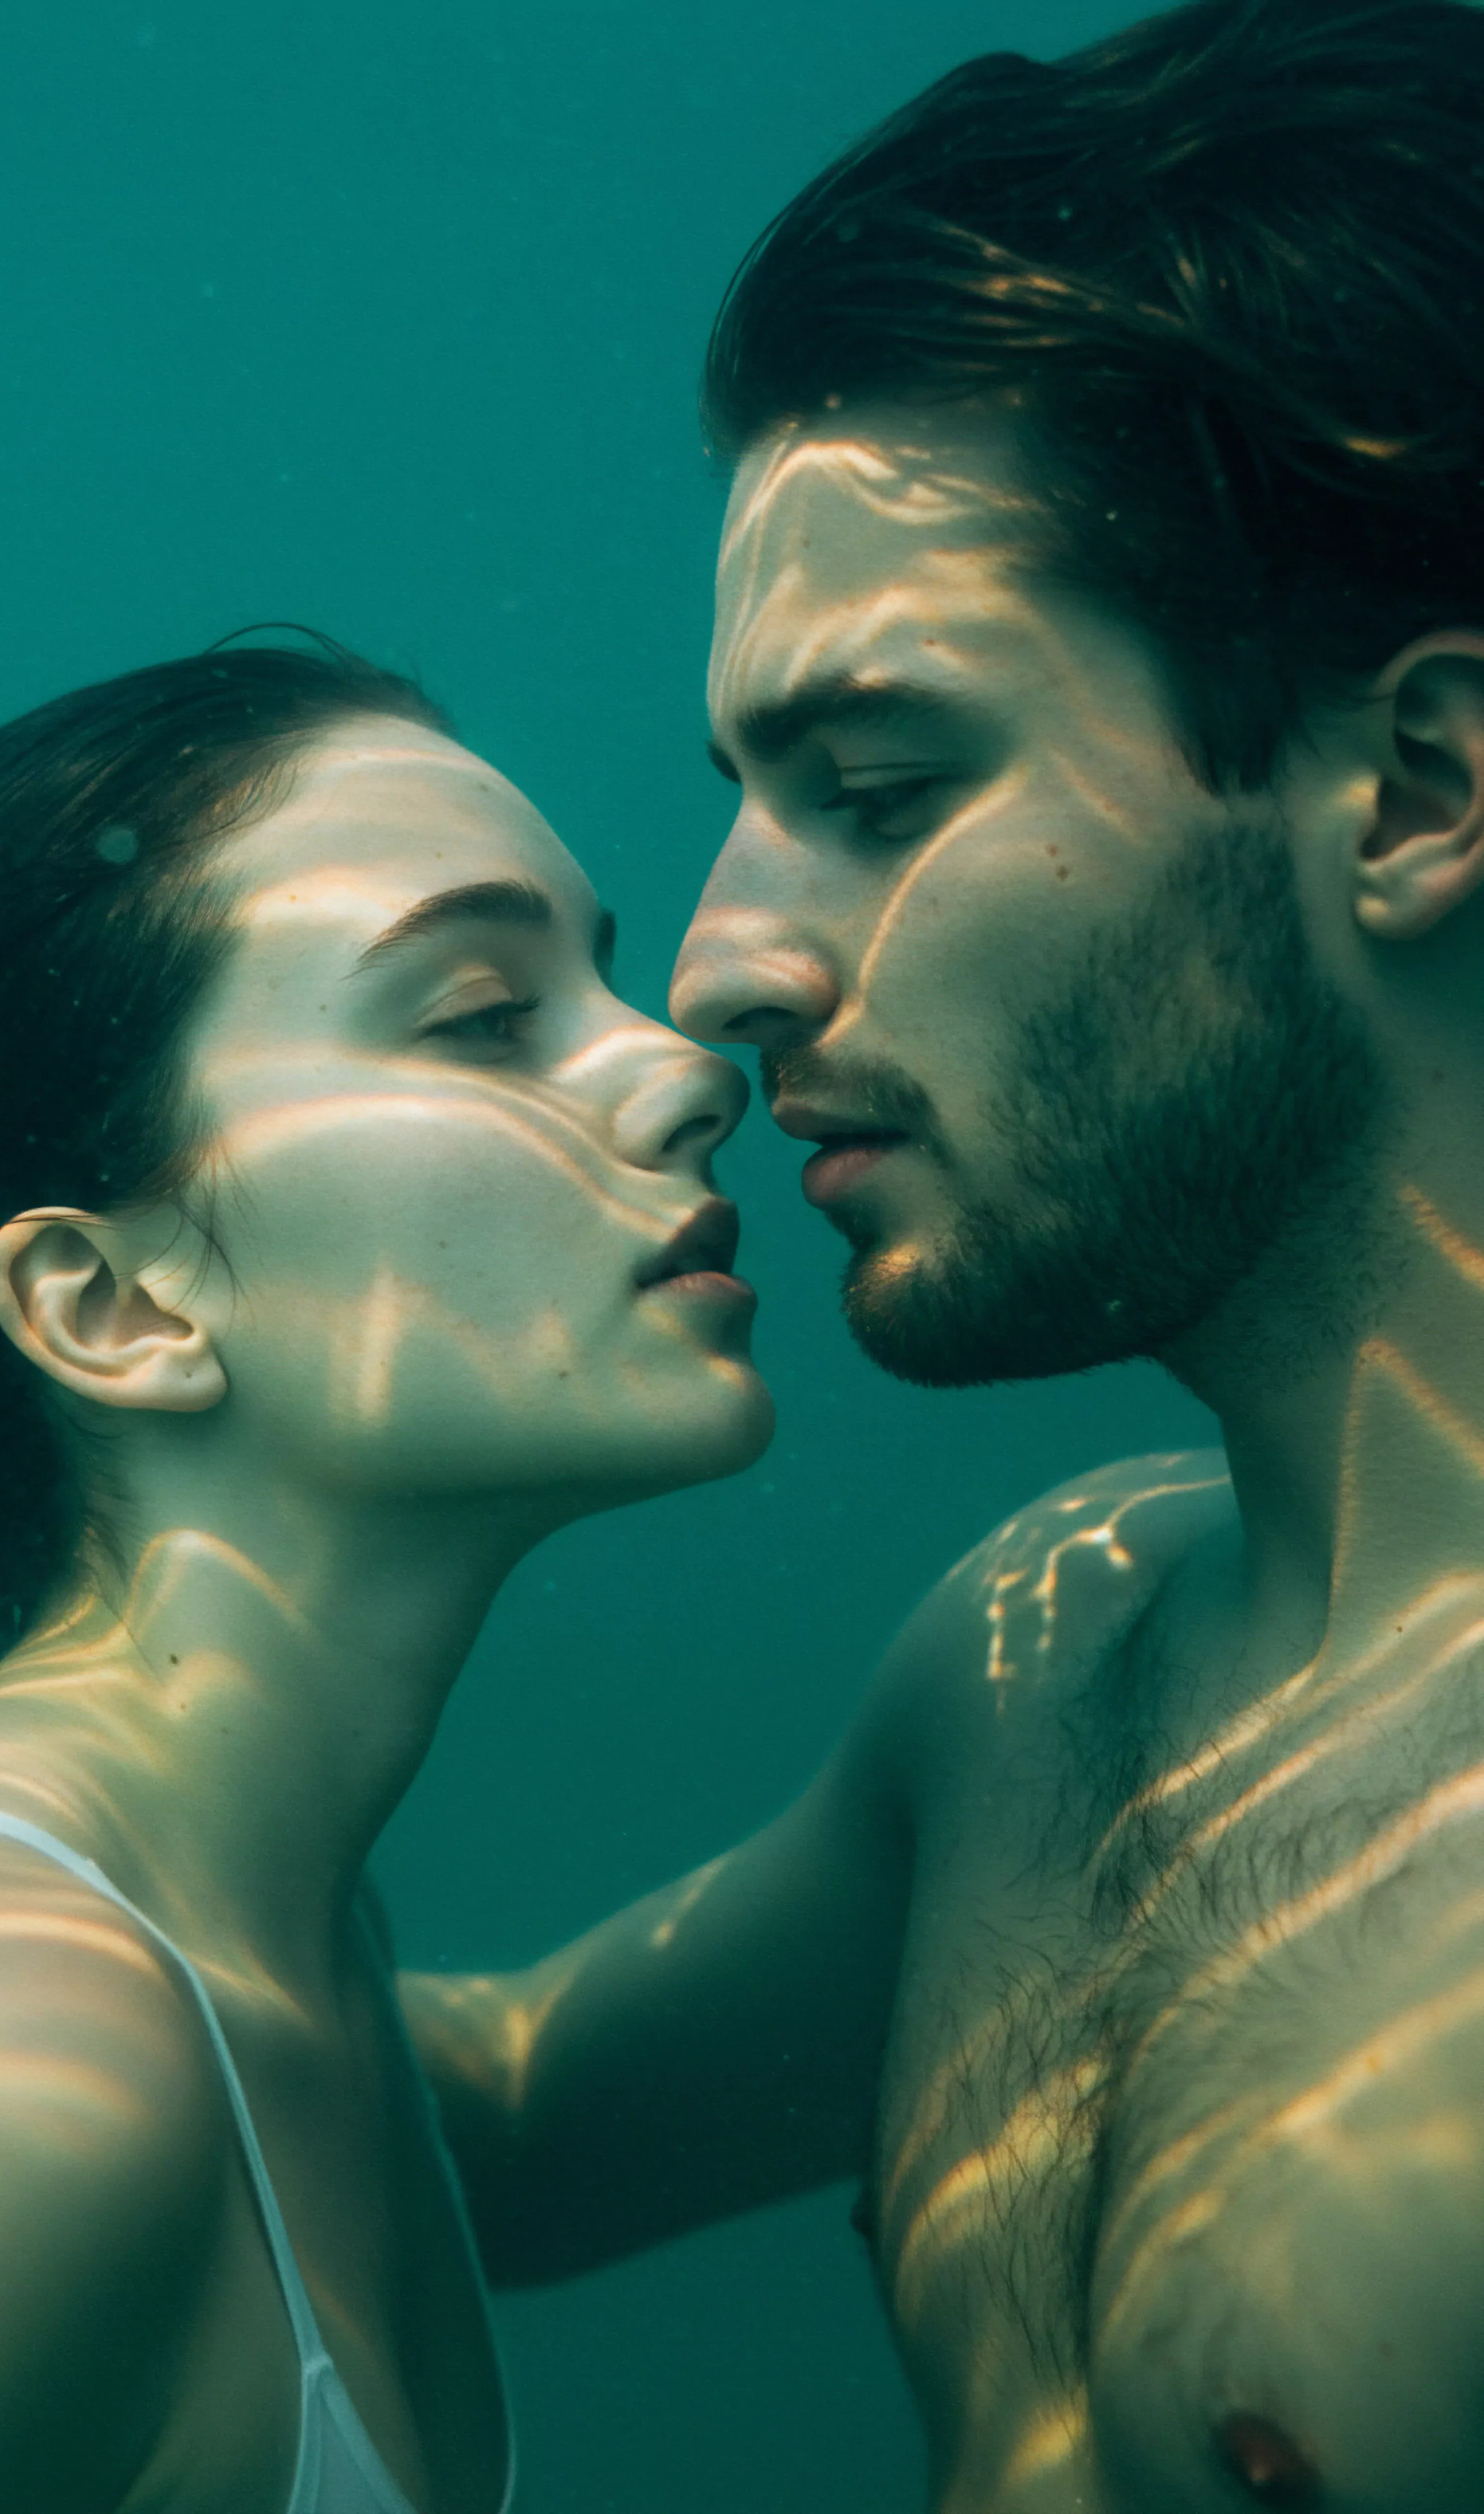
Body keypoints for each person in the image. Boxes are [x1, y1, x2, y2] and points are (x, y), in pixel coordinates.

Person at [404, 3, 1484, 2504]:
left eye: (877, 788)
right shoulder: (1038, 1653)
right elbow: (493, 2126)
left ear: (1418, 787)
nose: (724, 968)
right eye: (753, 801)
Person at [0, 639, 772, 2514]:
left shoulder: (275, 1938)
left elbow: (558, 2097)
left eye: (599, 980)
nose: (690, 1069)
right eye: (479, 1014)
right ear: (112, 1305)